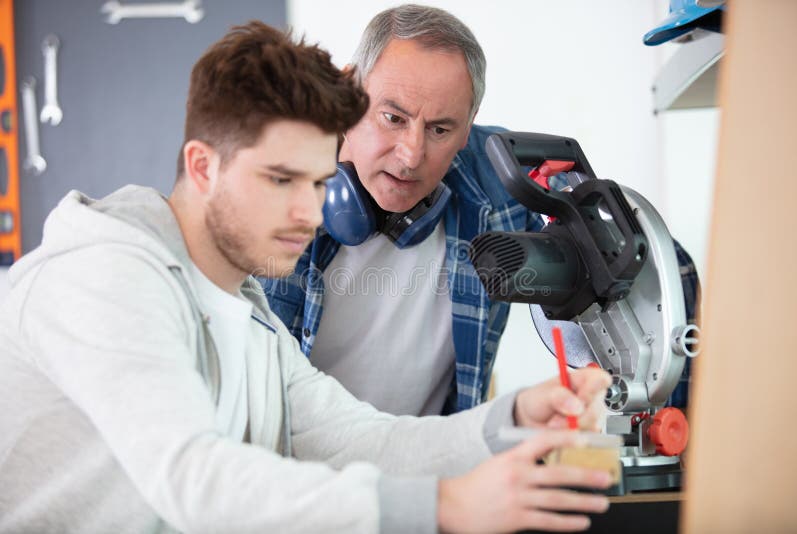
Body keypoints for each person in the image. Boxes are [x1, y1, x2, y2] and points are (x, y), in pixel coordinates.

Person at [0, 21, 615, 534]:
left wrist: (508, 420)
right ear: (203, 166)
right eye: (280, 180)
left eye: (319, 183)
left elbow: (358, 438)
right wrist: (443, 505)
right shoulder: (108, 274)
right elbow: (197, 476)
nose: (309, 211)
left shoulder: (245, 309)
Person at [262, 4, 700, 416]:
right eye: (393, 118)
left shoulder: (492, 177)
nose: (412, 154)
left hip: (434, 475)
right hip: (299, 481)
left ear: (466, 128)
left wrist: (664, 420)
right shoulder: (271, 196)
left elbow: (660, 263)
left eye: (440, 128)